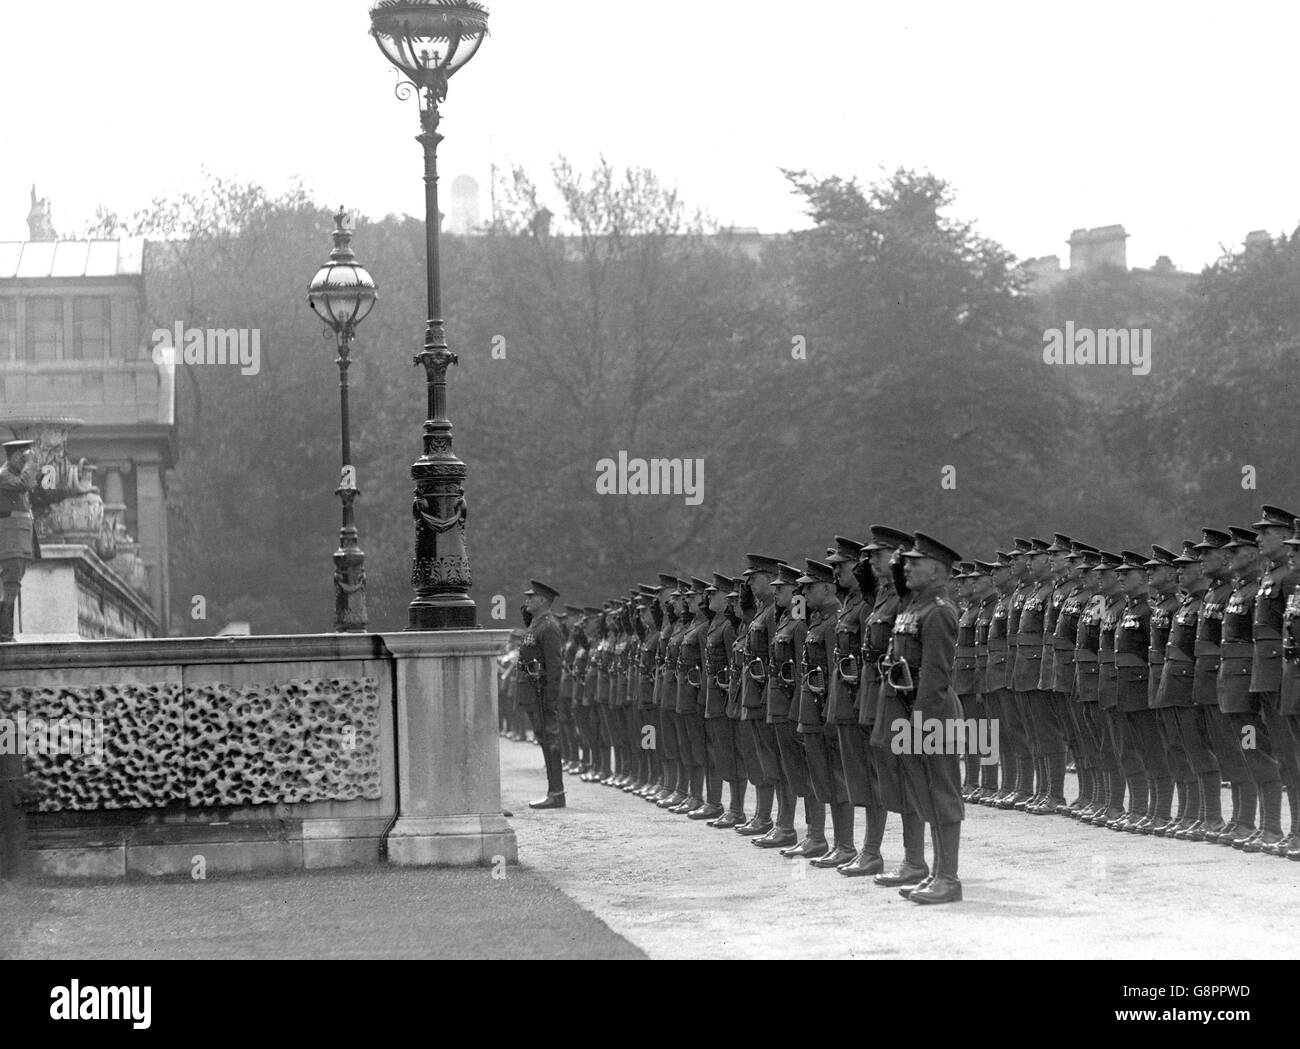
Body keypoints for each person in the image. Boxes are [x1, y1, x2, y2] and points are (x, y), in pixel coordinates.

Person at [891, 532, 966, 905]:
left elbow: (936, 675)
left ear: (936, 570)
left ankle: (948, 878)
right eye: (905, 561)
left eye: (914, 562)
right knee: (925, 794)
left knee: (942, 794)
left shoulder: (938, 611)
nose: (906, 566)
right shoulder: (914, 606)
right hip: (914, 709)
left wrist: (921, 722)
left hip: (933, 713)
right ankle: (937, 874)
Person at [519, 580, 567, 809]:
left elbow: (554, 667)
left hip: (541, 694)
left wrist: (550, 699)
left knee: (550, 741)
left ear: (542, 601)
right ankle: (553, 791)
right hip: (533, 691)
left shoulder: (548, 627)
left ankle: (557, 793)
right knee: (545, 741)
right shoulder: (537, 624)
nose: (527, 600)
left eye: (531, 597)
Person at [1, 440, 41, 643]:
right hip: (11, 541)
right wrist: (31, 464)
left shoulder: (17, 475)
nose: (26, 458)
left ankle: (5, 632)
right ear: (14, 456)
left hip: (19, 540)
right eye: (23, 456)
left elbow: (38, 486)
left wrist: (40, 468)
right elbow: (23, 484)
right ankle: (4, 633)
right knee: (10, 585)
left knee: (12, 584)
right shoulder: (4, 475)